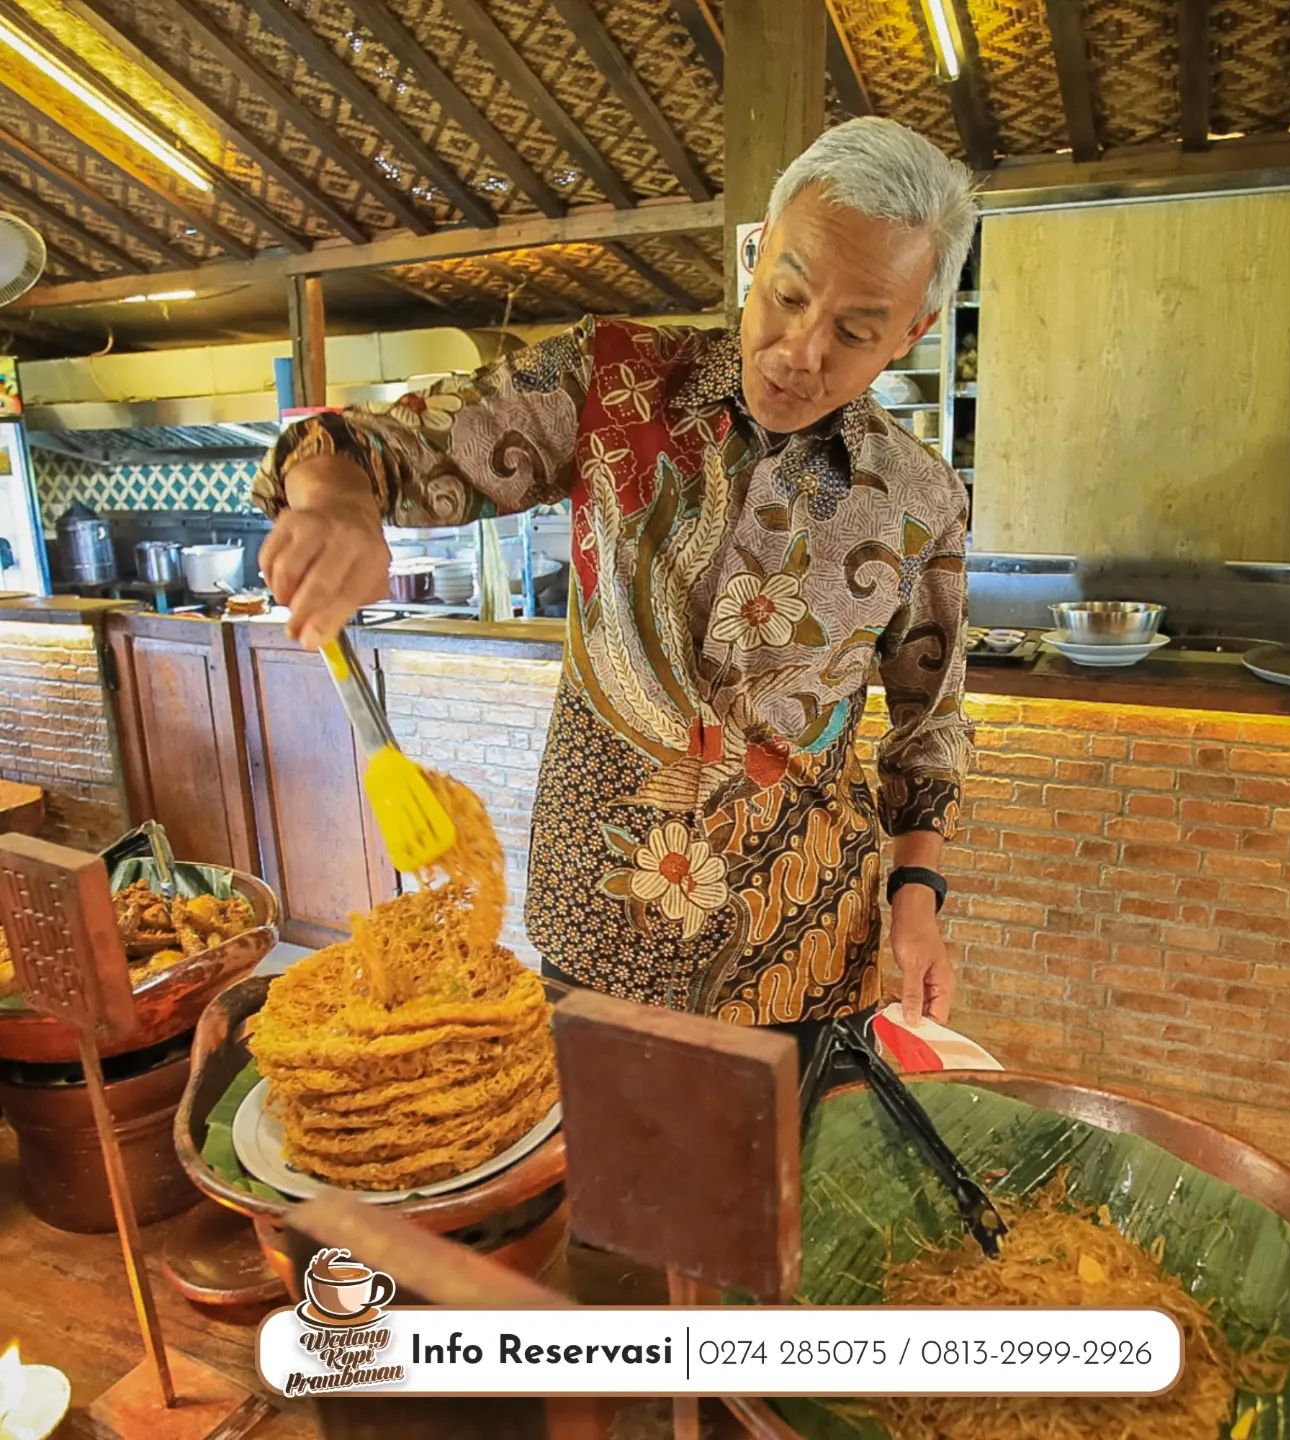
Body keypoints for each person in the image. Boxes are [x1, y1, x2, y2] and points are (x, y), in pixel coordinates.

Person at [255, 117, 979, 1054]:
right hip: (603, 913)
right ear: (758, 253)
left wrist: (917, 900)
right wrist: (334, 502)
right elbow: (371, 448)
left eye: (853, 330)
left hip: (801, 936)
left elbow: (932, 726)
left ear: (913, 332)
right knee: (607, 1184)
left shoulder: (921, 496)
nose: (801, 349)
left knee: (782, 1193)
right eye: (789, 294)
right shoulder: (612, 380)